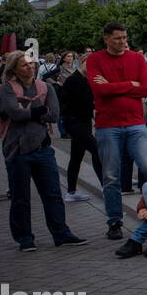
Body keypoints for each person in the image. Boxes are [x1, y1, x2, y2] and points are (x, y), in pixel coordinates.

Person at [0, 51, 87, 251]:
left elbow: (54, 115)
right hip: (18, 150)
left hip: (43, 149)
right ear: (14, 69)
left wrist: (29, 113)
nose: (29, 68)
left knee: (53, 194)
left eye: (31, 64)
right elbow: (14, 113)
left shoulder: (45, 87)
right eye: (24, 65)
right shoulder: (8, 89)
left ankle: (61, 233)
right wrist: (37, 111)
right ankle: (25, 238)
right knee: (21, 197)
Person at [86, 22, 147, 240]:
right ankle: (115, 221)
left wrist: (114, 85)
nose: (123, 42)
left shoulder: (136, 58)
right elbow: (99, 89)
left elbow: (146, 88)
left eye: (125, 38)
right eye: (118, 39)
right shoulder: (95, 59)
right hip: (108, 126)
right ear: (106, 39)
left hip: (136, 123)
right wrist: (130, 85)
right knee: (110, 176)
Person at [59, 53, 101, 203]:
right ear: (82, 63)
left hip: (83, 122)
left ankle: (71, 192)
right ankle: (105, 186)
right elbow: (65, 103)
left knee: (76, 156)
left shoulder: (86, 80)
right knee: (96, 149)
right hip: (74, 122)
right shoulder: (73, 80)